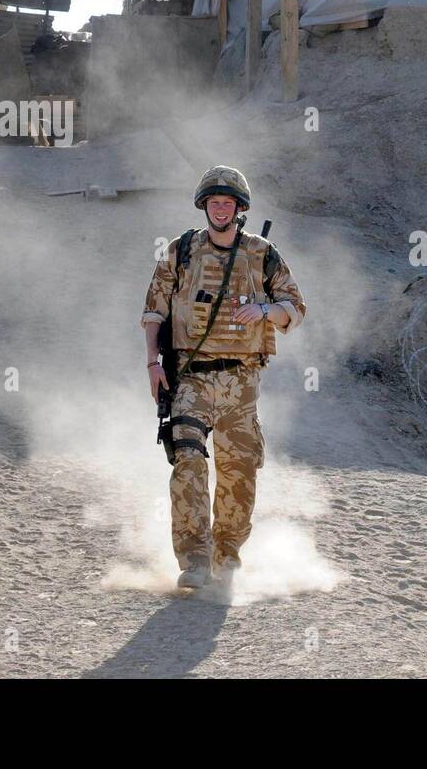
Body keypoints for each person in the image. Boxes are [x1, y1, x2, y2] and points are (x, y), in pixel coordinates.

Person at [140, 166, 306, 588]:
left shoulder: (261, 253)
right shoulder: (180, 252)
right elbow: (154, 313)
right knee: (189, 463)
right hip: (190, 378)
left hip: (241, 382)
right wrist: (153, 363)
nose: (219, 209)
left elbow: (296, 309)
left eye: (227, 203)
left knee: (240, 470)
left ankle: (226, 554)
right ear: (204, 207)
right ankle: (193, 560)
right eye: (213, 203)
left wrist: (265, 310)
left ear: (239, 208)